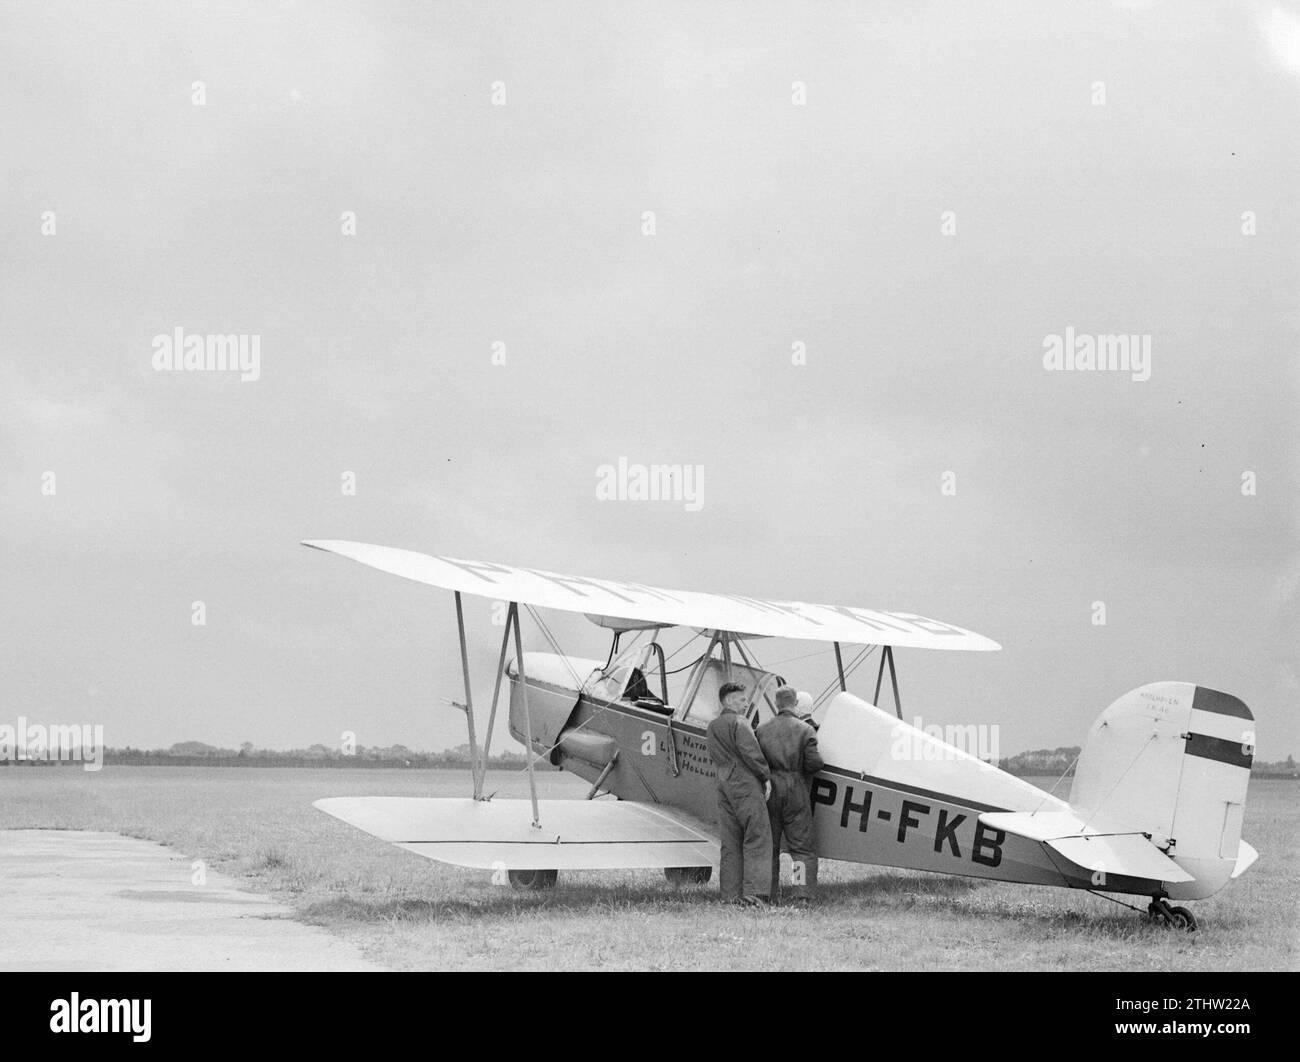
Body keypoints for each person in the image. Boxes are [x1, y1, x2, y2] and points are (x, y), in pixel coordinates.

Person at [705, 681, 773, 906]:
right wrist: (766, 777)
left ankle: (729, 896)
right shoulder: (740, 723)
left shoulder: (712, 726)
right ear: (728, 701)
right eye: (742, 699)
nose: (746, 704)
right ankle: (755, 895)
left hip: (723, 783)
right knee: (757, 837)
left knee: (731, 841)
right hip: (745, 784)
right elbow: (752, 754)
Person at [756, 685, 825, 905]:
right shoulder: (805, 730)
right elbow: (815, 763)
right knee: (801, 848)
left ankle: (767, 893)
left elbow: (757, 761)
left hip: (769, 792)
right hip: (796, 791)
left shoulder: (762, 729)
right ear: (795, 704)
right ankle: (801, 894)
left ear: (776, 704)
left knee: (770, 847)